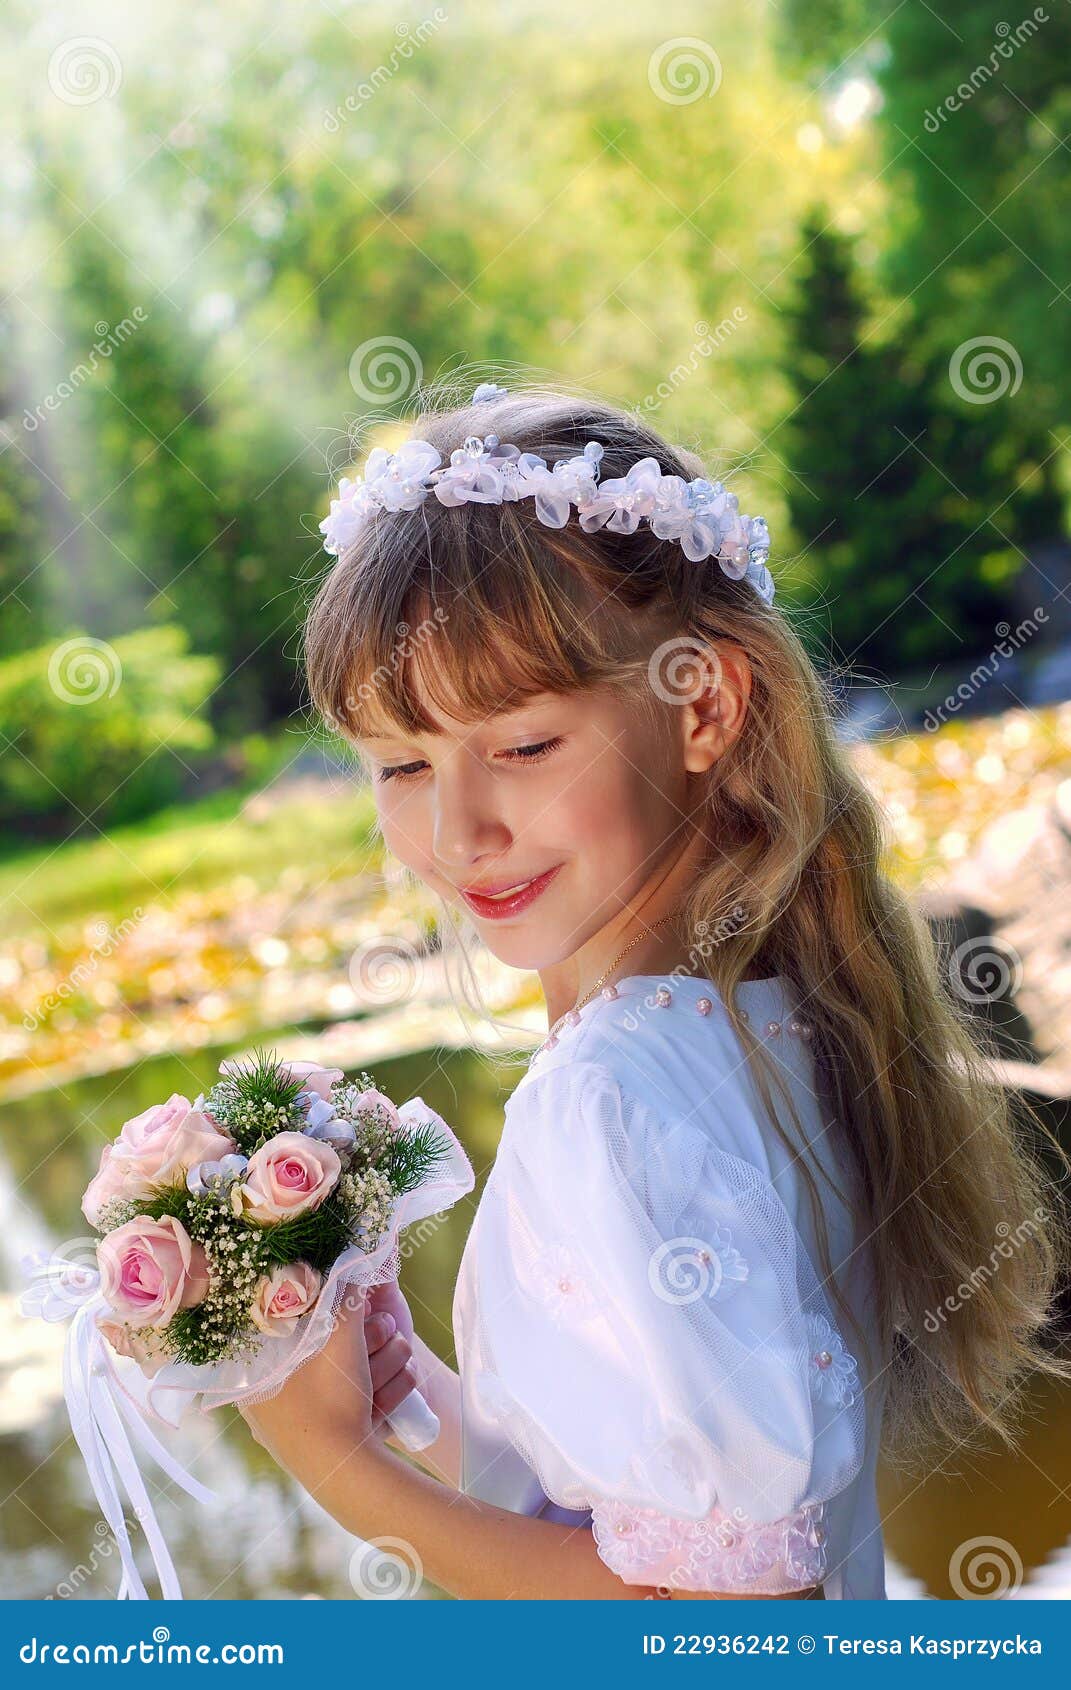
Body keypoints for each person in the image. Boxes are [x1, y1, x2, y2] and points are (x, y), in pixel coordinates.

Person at [237, 379, 1071, 1599]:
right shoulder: (782, 1012)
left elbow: (714, 1624)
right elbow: (630, 1521)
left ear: (705, 704)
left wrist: (334, 1457)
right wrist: (415, 1394)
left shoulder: (608, 1097)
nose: (458, 829)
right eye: (402, 765)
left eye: (522, 746)